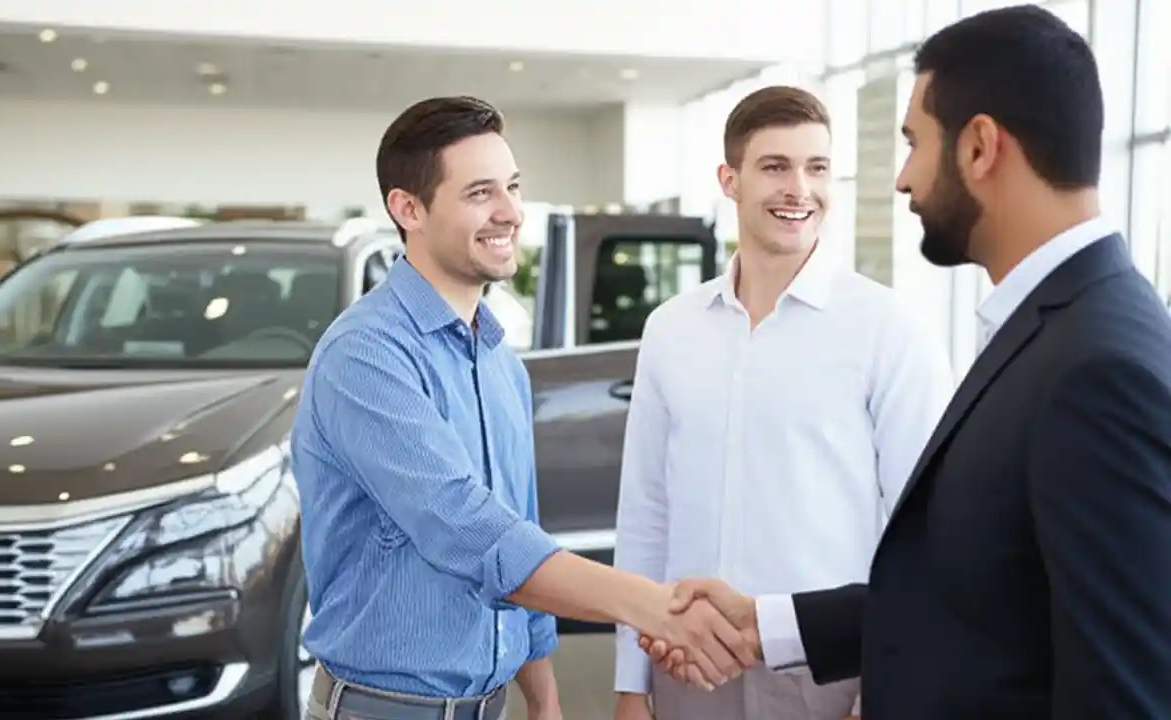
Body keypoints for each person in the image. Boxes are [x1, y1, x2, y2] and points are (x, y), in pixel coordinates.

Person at [641, 6, 1171, 719]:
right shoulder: (1048, 332)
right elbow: (976, 591)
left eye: (915, 141)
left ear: (980, 147)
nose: (902, 179)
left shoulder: (1098, 365)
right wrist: (767, 622)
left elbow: (1125, 688)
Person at [292, 95, 761, 720]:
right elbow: (469, 530)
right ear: (408, 208)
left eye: (512, 187)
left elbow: (520, 530)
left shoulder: (498, 361)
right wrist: (653, 606)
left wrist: (542, 696)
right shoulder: (365, 357)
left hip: (491, 707)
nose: (510, 212)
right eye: (479, 192)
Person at [610, 86, 953, 720]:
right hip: (688, 665)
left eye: (817, 168)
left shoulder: (886, 327)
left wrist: (884, 688)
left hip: (830, 676)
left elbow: (928, 533)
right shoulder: (671, 328)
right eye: (775, 167)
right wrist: (632, 684)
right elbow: (646, 514)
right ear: (729, 179)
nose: (800, 188)